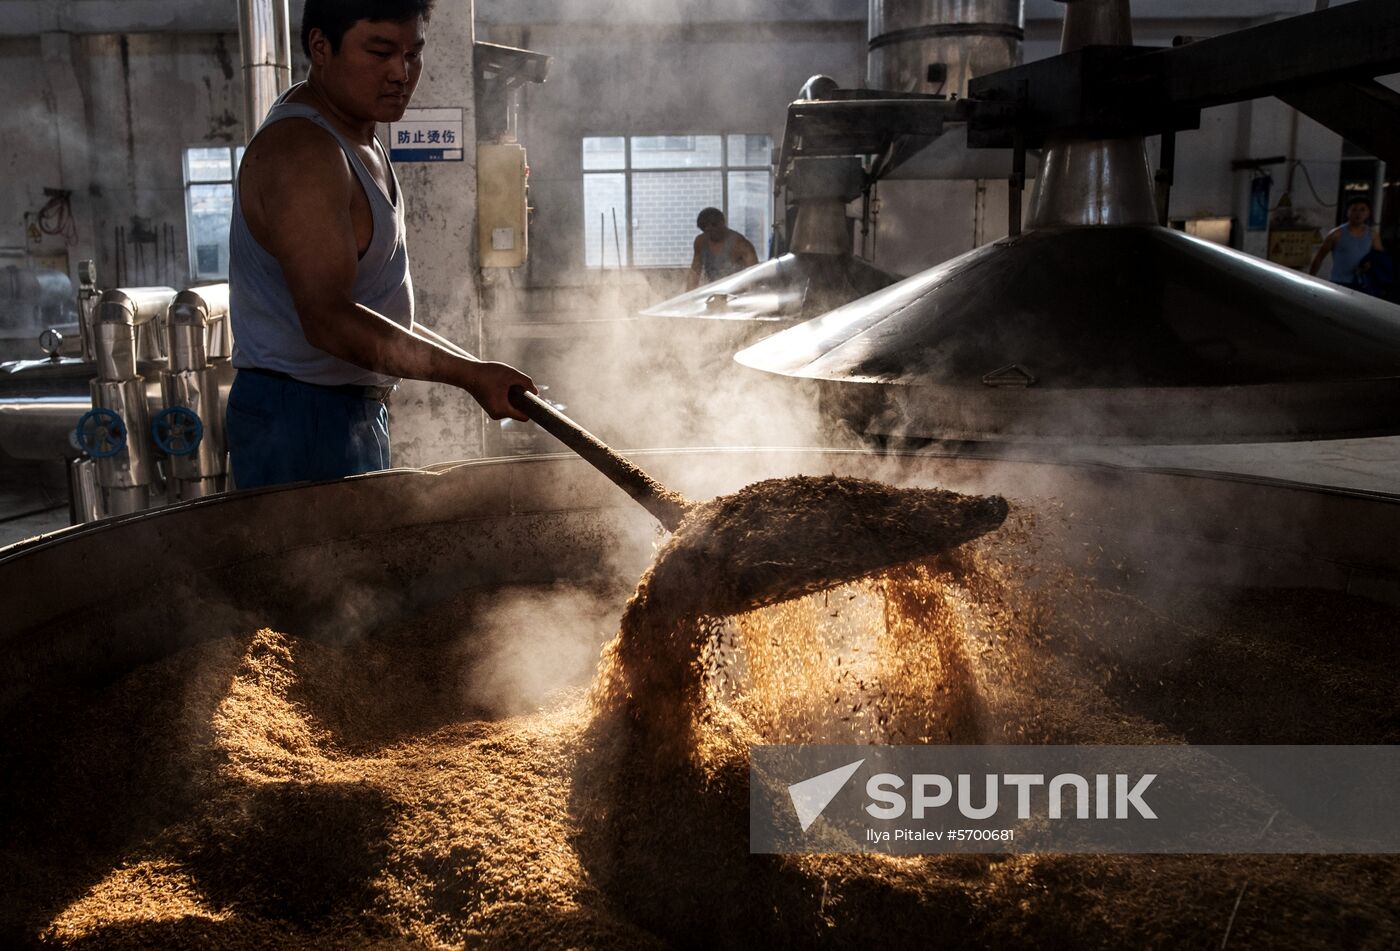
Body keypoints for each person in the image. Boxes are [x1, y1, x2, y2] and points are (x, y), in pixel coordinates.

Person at [227, 0, 535, 490]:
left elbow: (380, 311)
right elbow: (328, 320)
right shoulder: (304, 152)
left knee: (357, 566)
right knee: (314, 567)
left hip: (345, 410)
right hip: (298, 421)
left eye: (413, 54)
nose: (401, 73)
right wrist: (468, 377)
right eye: (380, 52)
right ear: (320, 47)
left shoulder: (360, 141)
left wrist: (478, 371)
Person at [1309, 196, 1384, 291]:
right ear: (1348, 212)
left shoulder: (1372, 235)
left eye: (1362, 210)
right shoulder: (1336, 234)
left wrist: (1370, 264)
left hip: (1363, 283)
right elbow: (1319, 257)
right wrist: (1311, 279)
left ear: (1368, 213)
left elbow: (1380, 259)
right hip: (1339, 282)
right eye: (1354, 210)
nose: (1358, 213)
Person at [685, 207, 759, 290]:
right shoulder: (700, 242)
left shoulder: (740, 244)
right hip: (714, 291)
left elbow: (755, 274)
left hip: (737, 293)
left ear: (722, 223)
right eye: (707, 231)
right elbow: (695, 272)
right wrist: (688, 297)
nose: (711, 233)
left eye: (714, 228)